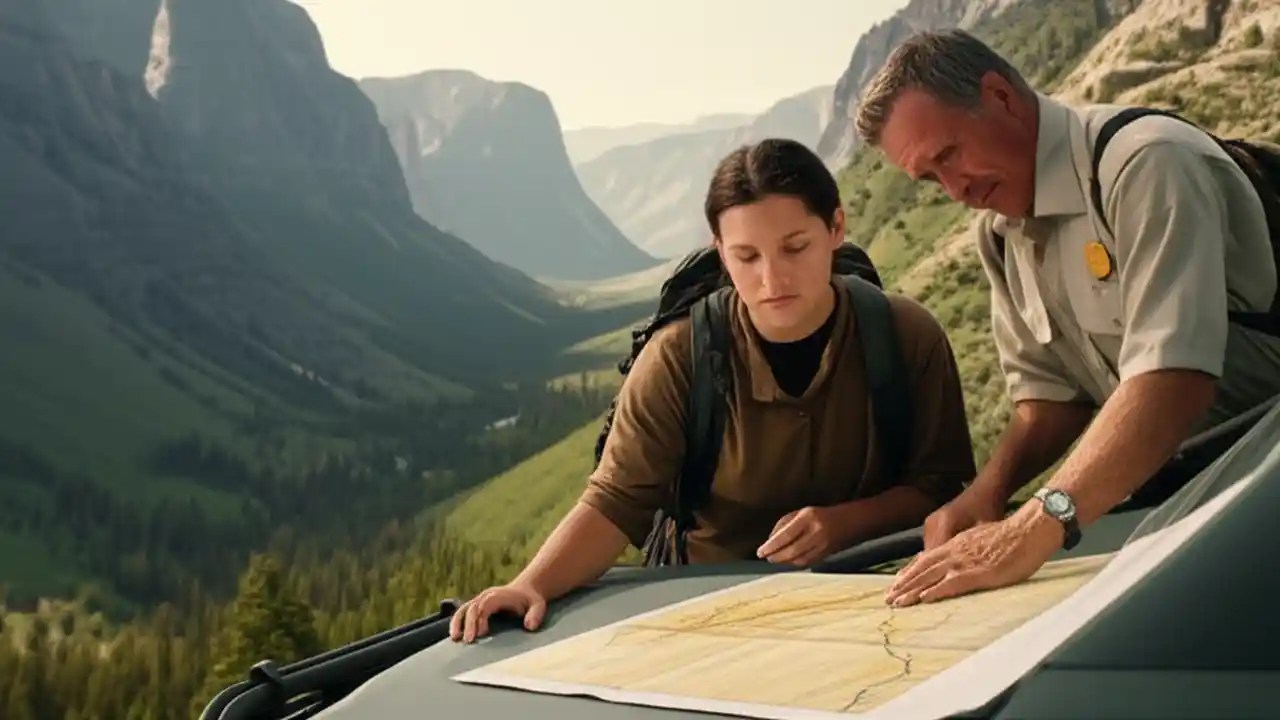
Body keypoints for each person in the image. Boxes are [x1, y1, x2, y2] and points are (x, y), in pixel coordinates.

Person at [449, 138, 977, 643]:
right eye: (747, 256)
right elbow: (616, 500)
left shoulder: (906, 335)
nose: (773, 277)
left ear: (836, 228)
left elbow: (943, 486)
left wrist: (847, 523)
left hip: (873, 602)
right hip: (707, 614)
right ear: (719, 252)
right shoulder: (681, 355)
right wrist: (530, 585)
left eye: (795, 247)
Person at [850, 29, 1280, 608]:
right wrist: (989, 492)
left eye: (948, 154)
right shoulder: (1000, 235)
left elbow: (1172, 377)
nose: (955, 189)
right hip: (1195, 499)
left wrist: (1033, 528)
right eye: (930, 178)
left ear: (999, 95)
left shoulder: (1145, 163)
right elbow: (1053, 396)